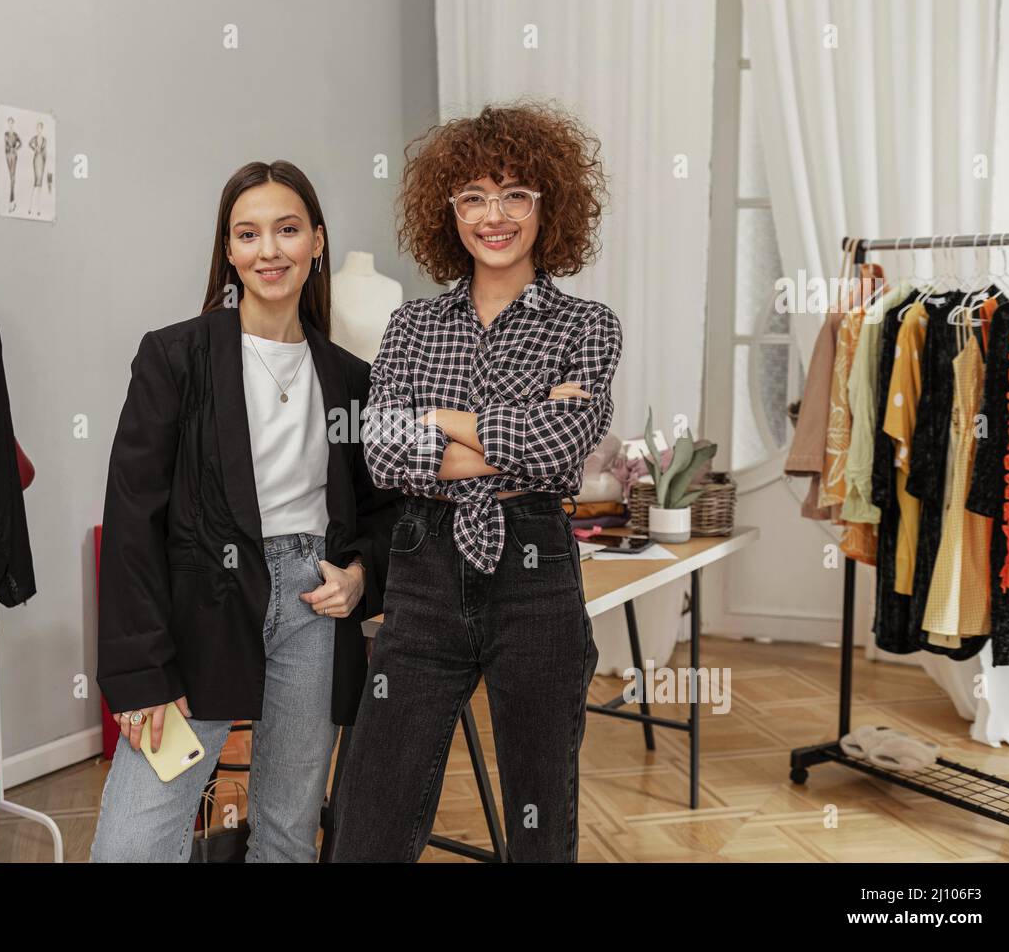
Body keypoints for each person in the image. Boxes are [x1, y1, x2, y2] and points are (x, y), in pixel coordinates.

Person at [330, 103, 623, 862]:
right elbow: (385, 458)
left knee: (538, 817)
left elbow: (562, 452)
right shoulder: (411, 326)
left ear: (547, 205)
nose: (495, 216)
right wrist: (515, 428)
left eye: (516, 193)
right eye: (473, 197)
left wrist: (438, 415)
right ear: (448, 211)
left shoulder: (587, 325)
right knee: (370, 811)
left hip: (536, 572)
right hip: (423, 573)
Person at [91, 160, 401, 862]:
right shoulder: (175, 357)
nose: (270, 250)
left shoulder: (352, 379)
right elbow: (132, 518)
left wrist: (358, 576)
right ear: (228, 250)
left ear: (316, 242)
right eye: (249, 233)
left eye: (287, 230)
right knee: (135, 841)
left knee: (289, 833)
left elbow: (385, 512)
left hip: (313, 610)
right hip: (202, 607)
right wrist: (142, 675)